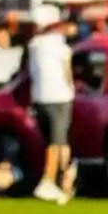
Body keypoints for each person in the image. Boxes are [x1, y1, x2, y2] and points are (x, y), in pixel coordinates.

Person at [26, 20, 76, 204]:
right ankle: (48, 180)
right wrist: (72, 89)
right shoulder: (61, 47)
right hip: (60, 97)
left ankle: (63, 183)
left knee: (56, 142)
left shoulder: (34, 45)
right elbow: (67, 73)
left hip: (40, 97)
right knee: (57, 142)